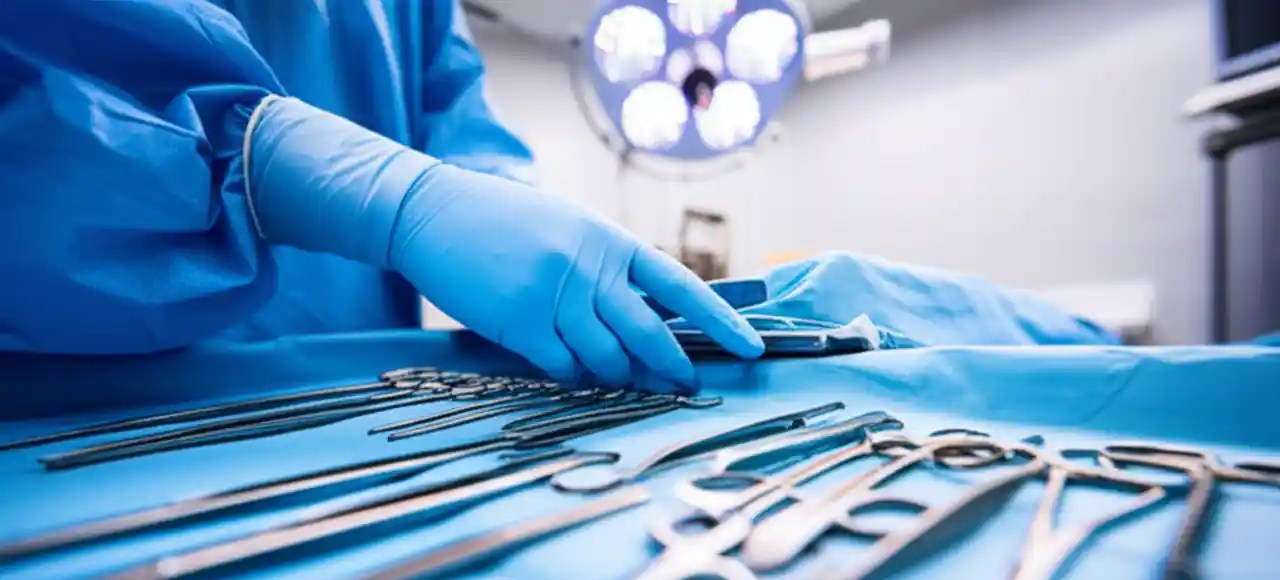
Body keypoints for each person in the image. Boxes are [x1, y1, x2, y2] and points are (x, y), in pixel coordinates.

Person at [0, 0, 763, 391]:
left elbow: (457, 118)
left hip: (364, 404)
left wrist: (514, 229)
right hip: (86, 413)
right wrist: (276, 168)